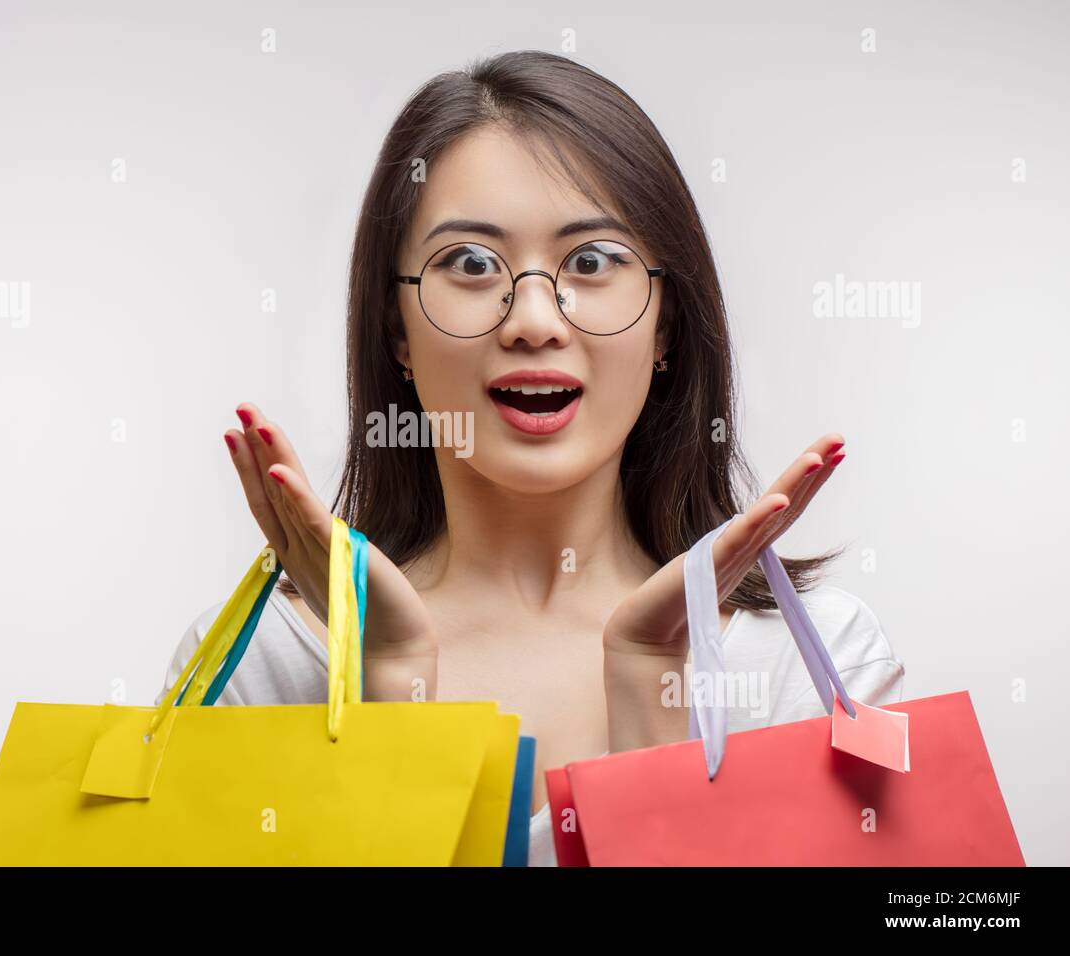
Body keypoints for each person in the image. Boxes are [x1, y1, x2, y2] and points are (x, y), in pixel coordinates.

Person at [156, 50, 904, 866]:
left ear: (667, 327)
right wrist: (390, 683)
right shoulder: (261, 669)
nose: (535, 320)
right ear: (396, 332)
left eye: (592, 262)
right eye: (471, 265)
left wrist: (649, 693)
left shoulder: (814, 665)